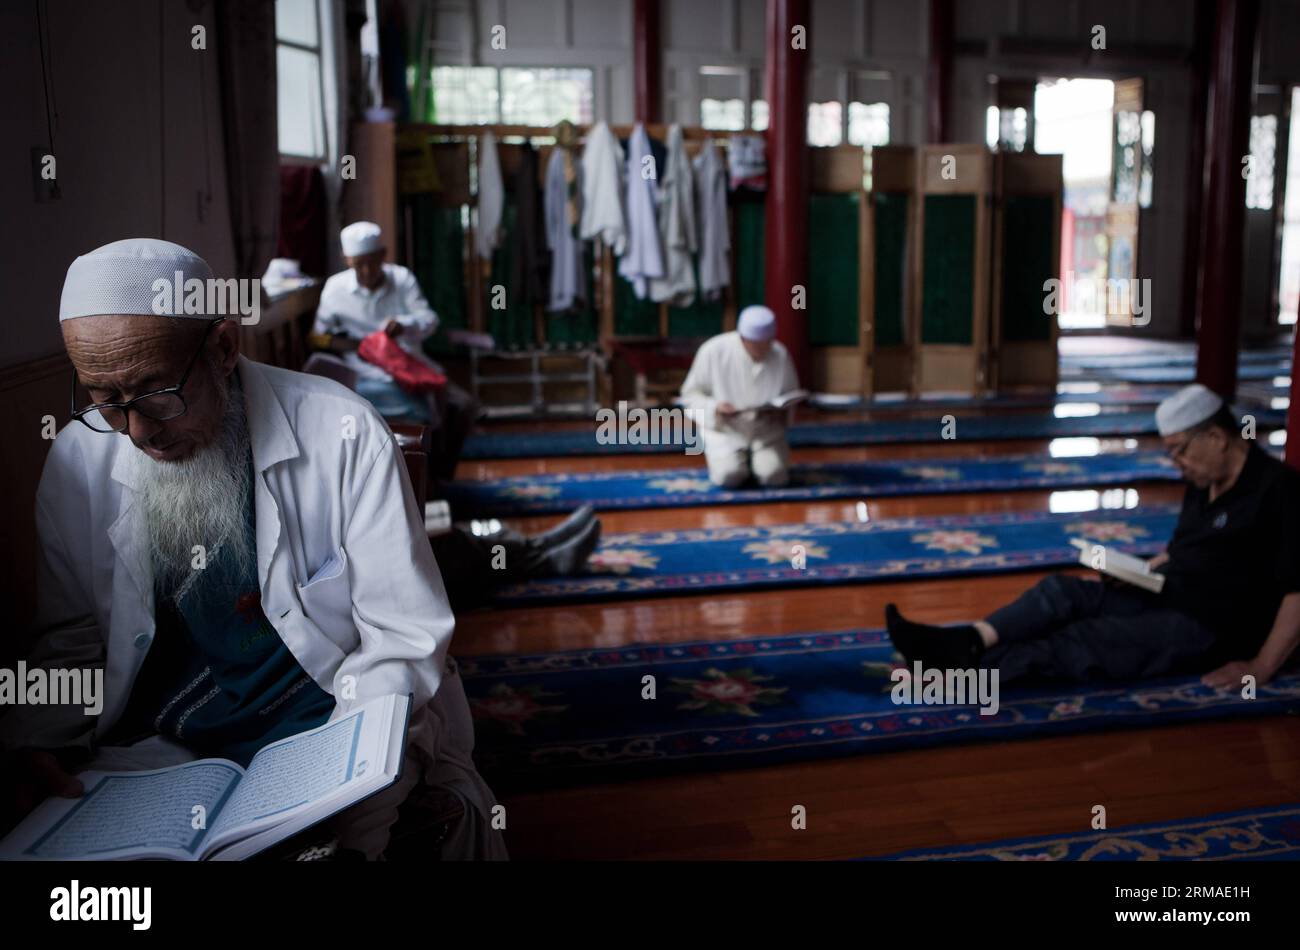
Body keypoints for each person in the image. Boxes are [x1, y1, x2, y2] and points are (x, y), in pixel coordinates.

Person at [1, 238, 506, 860]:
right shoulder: (80, 457)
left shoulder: (341, 433)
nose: (137, 432)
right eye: (106, 400)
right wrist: (37, 741)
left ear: (222, 347)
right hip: (160, 747)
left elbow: (401, 638)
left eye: (158, 394)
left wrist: (345, 778)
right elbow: (73, 635)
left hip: (333, 727)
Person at [885, 384, 1300, 689]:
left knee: (1081, 642)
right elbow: (1183, 551)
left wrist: (1261, 667)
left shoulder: (1278, 490)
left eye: (1180, 450)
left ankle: (957, 675)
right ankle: (967, 641)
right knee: (1060, 593)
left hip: (1207, 627)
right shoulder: (1203, 481)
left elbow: (1297, 592)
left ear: (1216, 438)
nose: (1176, 464)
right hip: (1167, 591)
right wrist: (1138, 570)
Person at [312, 221, 477, 481]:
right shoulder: (335, 289)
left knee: (464, 406)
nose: (366, 272)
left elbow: (430, 320)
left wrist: (405, 324)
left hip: (410, 367)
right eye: (359, 264)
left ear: (383, 255)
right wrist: (358, 345)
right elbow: (319, 337)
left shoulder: (402, 279)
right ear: (347, 261)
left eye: (372, 262)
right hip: (362, 372)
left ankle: (438, 481)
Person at [680, 305, 799, 488]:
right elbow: (689, 396)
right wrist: (715, 408)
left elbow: (790, 396)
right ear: (743, 338)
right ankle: (739, 461)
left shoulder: (779, 353)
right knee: (730, 476)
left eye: (767, 343)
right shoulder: (713, 350)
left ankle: (757, 460)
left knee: (774, 477)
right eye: (756, 344)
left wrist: (780, 413)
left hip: (765, 431)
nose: (763, 349)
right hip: (726, 431)